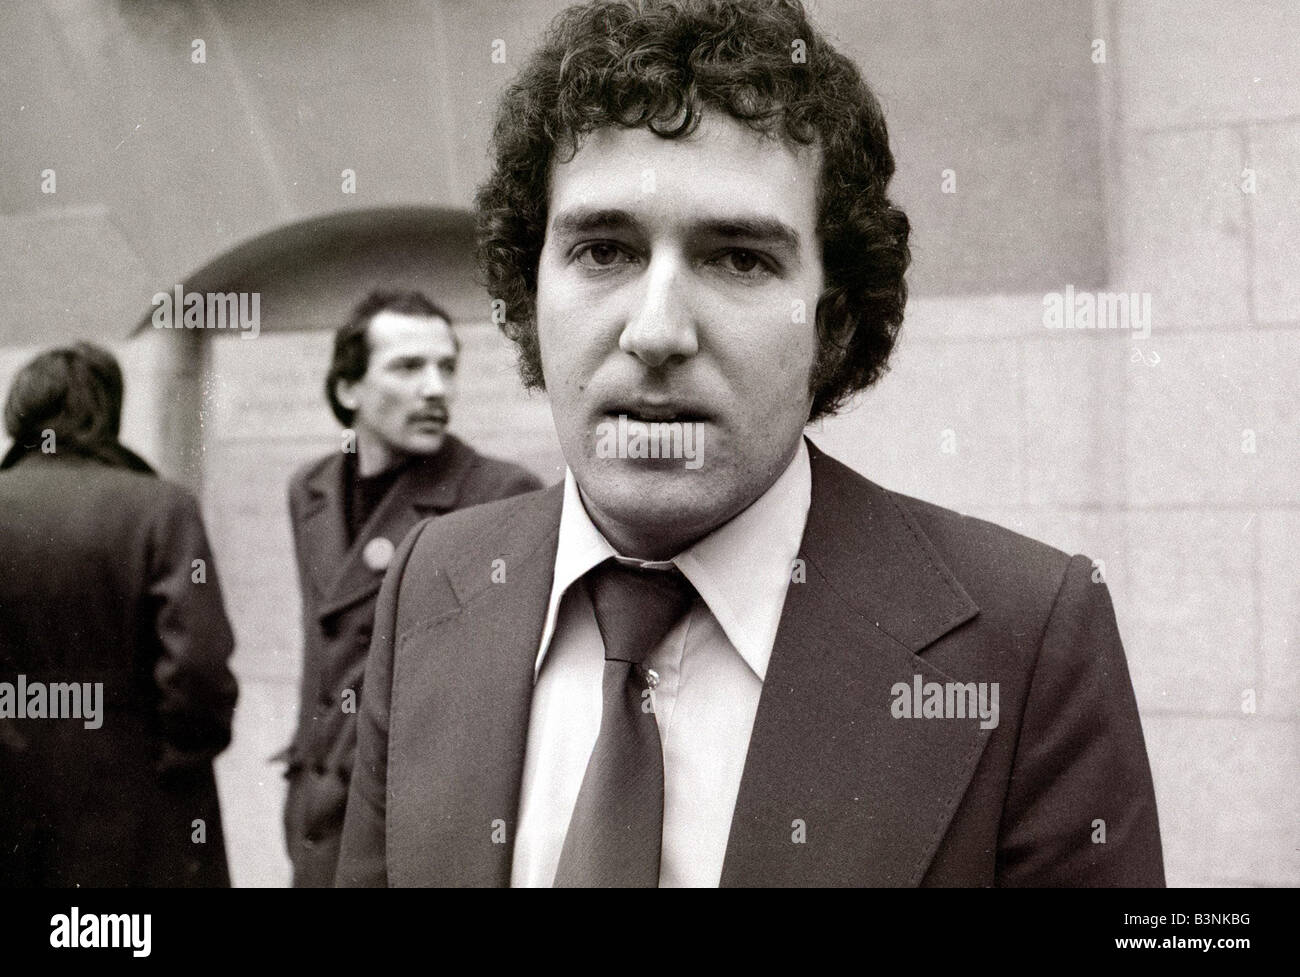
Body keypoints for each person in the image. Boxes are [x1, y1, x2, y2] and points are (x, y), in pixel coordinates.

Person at [337, 0, 1164, 887]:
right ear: (528, 290)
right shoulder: (434, 580)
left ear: (834, 323)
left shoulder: (1025, 641)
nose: (656, 331)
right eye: (603, 250)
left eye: (739, 260)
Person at [282, 289, 543, 887]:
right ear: (348, 390)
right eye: (408, 367)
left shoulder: (498, 494)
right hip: (314, 808)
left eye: (447, 367)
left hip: (404, 820)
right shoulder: (311, 490)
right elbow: (324, 648)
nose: (436, 389)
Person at [0, 342, 238, 887]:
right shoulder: (161, 508)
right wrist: (177, 761)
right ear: (107, 411)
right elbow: (198, 665)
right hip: (137, 807)